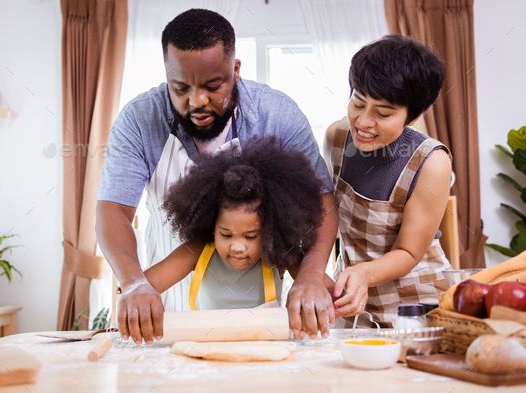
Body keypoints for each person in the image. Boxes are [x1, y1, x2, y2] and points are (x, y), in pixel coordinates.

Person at [96, 8, 338, 344]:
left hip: (259, 330)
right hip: (163, 317)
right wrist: (135, 282)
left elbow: (322, 201)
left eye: (212, 86)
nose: (197, 101)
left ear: (235, 70)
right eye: (179, 87)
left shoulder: (276, 114)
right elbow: (113, 210)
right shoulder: (139, 119)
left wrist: (310, 273)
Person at [134, 137, 336, 340]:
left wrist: (339, 298)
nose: (238, 247)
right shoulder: (196, 251)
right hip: (206, 359)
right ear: (211, 227)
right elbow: (144, 287)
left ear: (270, 230)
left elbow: (323, 288)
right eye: (226, 234)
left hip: (266, 361)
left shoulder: (277, 256)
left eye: (251, 236)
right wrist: (137, 298)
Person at [323, 35, 452, 328]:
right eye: (357, 102)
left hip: (417, 306)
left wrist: (365, 274)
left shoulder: (431, 162)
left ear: (414, 116)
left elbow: (409, 251)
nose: (363, 122)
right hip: (357, 300)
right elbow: (328, 213)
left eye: (383, 113)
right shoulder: (337, 138)